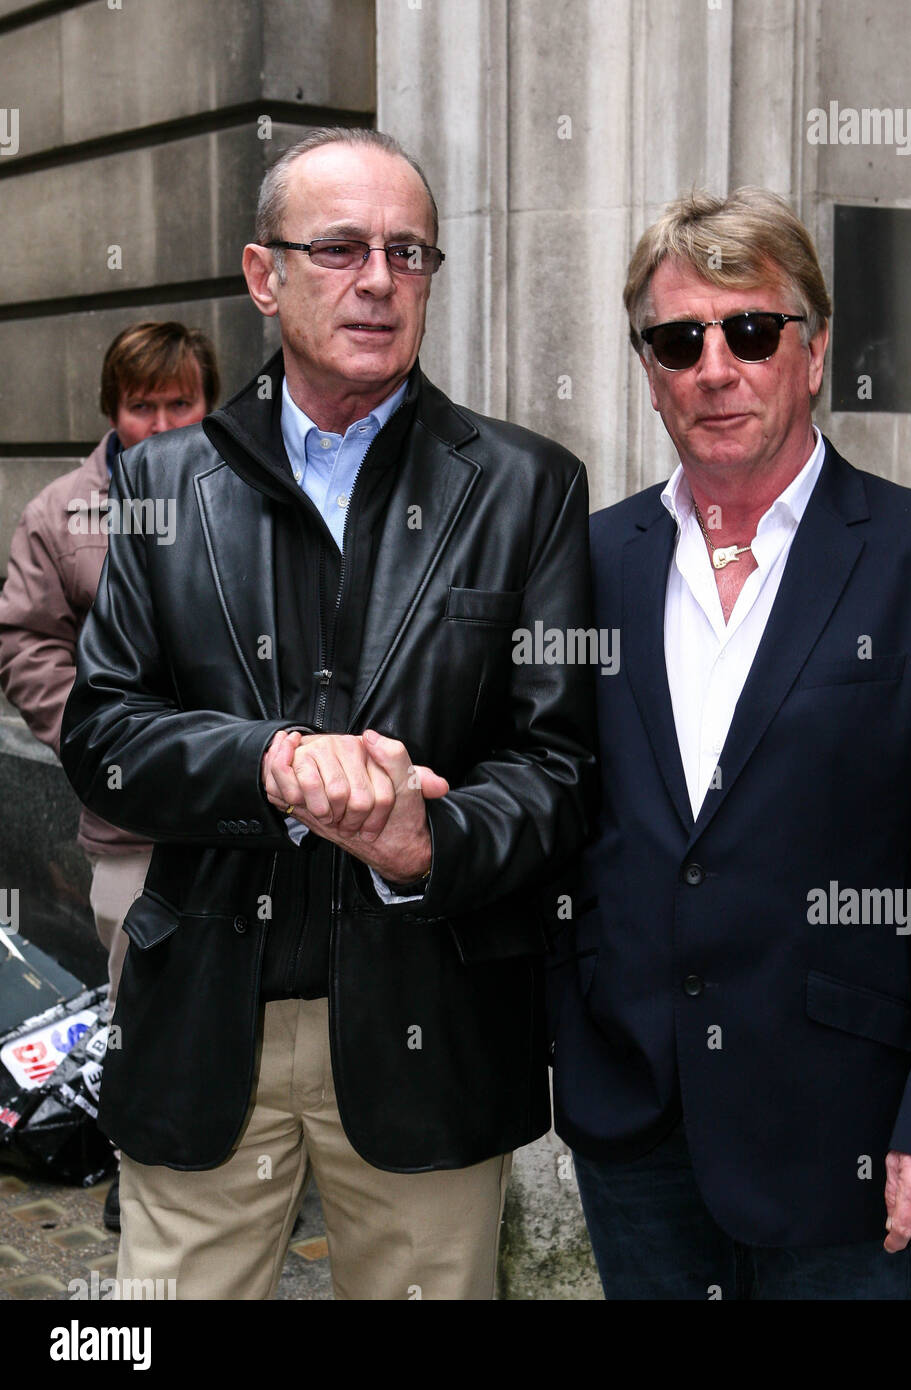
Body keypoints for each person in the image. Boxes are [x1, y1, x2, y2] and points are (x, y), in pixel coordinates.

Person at [60, 126, 595, 1300]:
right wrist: (274, 761)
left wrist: (428, 841)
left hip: (430, 1027)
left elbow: (557, 765)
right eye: (342, 247)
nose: (379, 280)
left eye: (409, 253)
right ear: (265, 275)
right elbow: (104, 737)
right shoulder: (159, 483)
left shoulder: (524, 486)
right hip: (207, 1016)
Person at [549, 188, 911, 1300]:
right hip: (637, 1124)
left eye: (751, 330)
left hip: (846, 1136)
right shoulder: (589, 559)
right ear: (649, 367)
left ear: (811, 353)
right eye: (679, 340)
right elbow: (564, 816)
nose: (714, 366)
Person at [0, 321, 217, 1230]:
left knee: (246, 1009)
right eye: (143, 407)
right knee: (143, 1003)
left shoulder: (253, 488)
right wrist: (97, 743)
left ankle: (238, 1178)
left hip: (245, 811)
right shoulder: (60, 513)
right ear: (112, 411)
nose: (164, 425)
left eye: (182, 403)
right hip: (130, 827)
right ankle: (144, 1164)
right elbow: (24, 640)